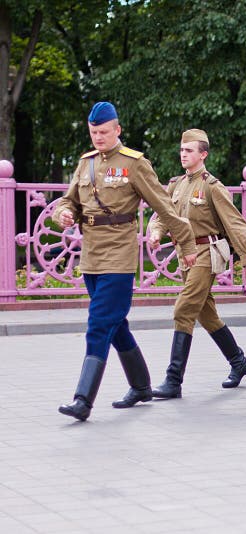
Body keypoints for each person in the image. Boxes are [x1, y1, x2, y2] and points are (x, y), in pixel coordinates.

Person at [53, 102, 197, 421]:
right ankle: (142, 386)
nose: (98, 138)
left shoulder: (134, 164)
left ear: (117, 130)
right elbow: (70, 200)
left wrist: (186, 242)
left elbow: (164, 205)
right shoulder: (86, 162)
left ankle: (83, 400)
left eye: (104, 132)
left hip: (119, 255)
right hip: (91, 256)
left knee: (99, 322)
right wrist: (62, 213)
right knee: (115, 325)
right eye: (93, 133)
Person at [146, 129, 246, 398]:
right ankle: (238, 362)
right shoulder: (177, 184)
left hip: (206, 253)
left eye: (190, 150)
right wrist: (157, 233)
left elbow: (236, 224)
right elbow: (162, 214)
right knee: (206, 315)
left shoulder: (212, 187)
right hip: (186, 255)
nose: (184, 154)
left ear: (203, 154)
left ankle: (173, 381)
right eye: (182, 150)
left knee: (183, 310)